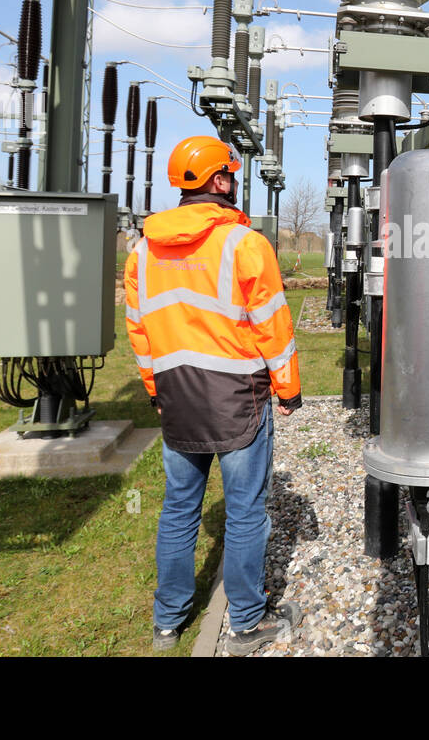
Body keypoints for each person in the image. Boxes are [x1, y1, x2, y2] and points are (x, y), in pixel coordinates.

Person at [124, 135, 303, 655]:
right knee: (246, 511)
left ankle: (167, 622)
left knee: (179, 508)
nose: (235, 181)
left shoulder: (143, 251)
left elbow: (140, 330)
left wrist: (157, 390)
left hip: (177, 398)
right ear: (219, 181)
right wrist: (288, 390)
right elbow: (273, 324)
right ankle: (246, 622)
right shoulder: (243, 245)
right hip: (237, 399)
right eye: (231, 173)